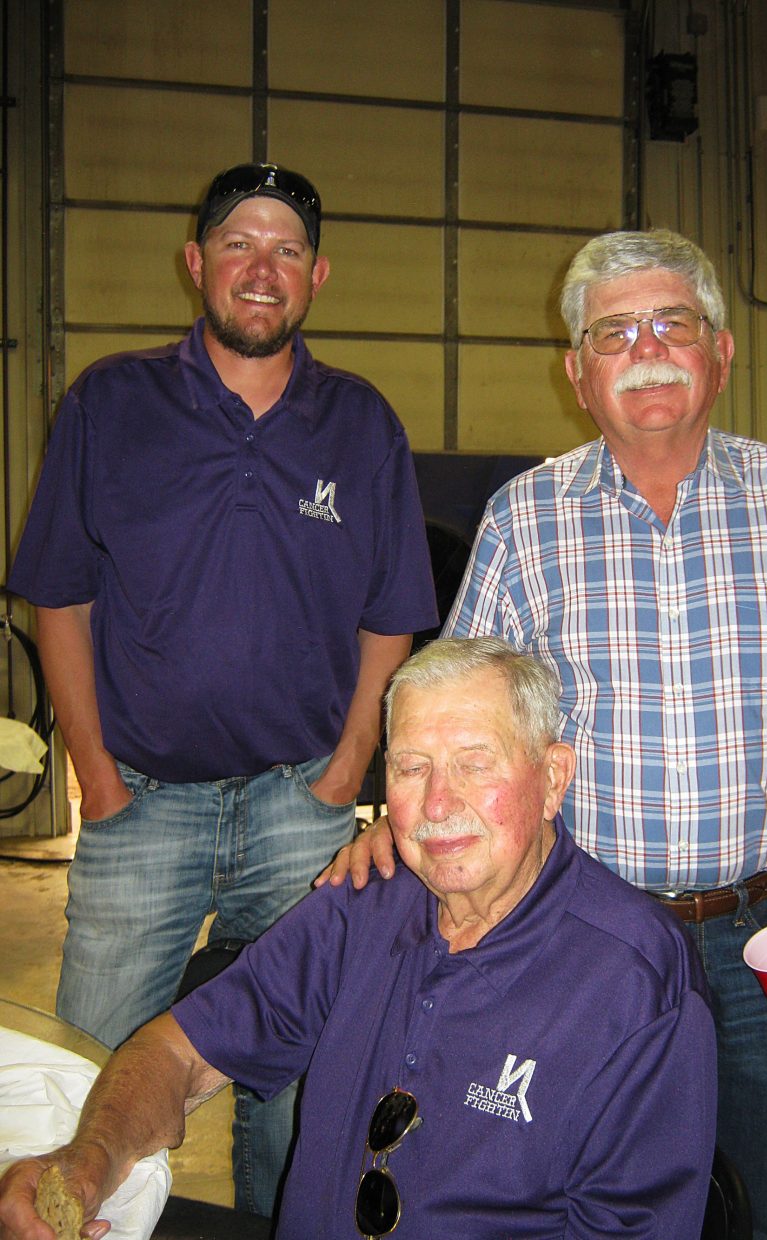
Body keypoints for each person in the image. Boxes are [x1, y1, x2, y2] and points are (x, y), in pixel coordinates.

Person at [320, 230, 767, 1240]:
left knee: (744, 1205)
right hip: (575, 935)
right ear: (578, 372)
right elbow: (463, 709)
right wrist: (403, 819)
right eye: (614, 331)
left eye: (673, 322)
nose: (646, 347)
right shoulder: (526, 517)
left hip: (756, 938)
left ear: (722, 351)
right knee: (565, 1191)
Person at [5, 162, 437, 1217]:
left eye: (286, 249)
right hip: (141, 807)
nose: (261, 267)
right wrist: (95, 778)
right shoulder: (111, 401)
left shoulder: (362, 424)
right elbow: (58, 597)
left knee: (295, 1086)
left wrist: (341, 776)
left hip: (301, 811)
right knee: (94, 1075)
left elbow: (392, 615)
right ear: (196, 263)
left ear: (317, 276)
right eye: (238, 243)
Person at [0, 638, 717, 1240]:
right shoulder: (365, 907)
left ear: (553, 776)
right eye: (411, 767)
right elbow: (180, 1052)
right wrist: (91, 1157)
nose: (438, 803)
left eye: (475, 762)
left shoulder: (636, 979)